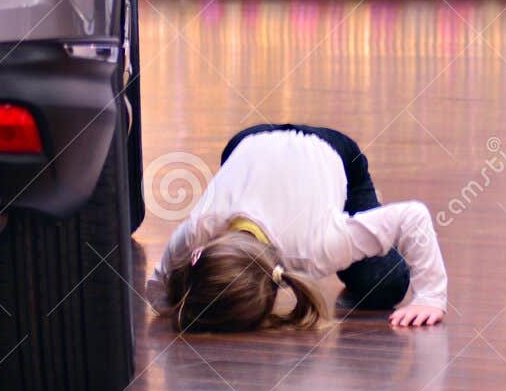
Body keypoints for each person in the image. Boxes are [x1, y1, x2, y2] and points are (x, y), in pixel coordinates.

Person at [148, 124, 447, 332]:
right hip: (248, 143)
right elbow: (157, 289)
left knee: (383, 284)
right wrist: (173, 303)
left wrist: (431, 298)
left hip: (329, 147)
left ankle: (344, 204)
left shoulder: (315, 248)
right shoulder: (198, 231)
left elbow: (413, 216)